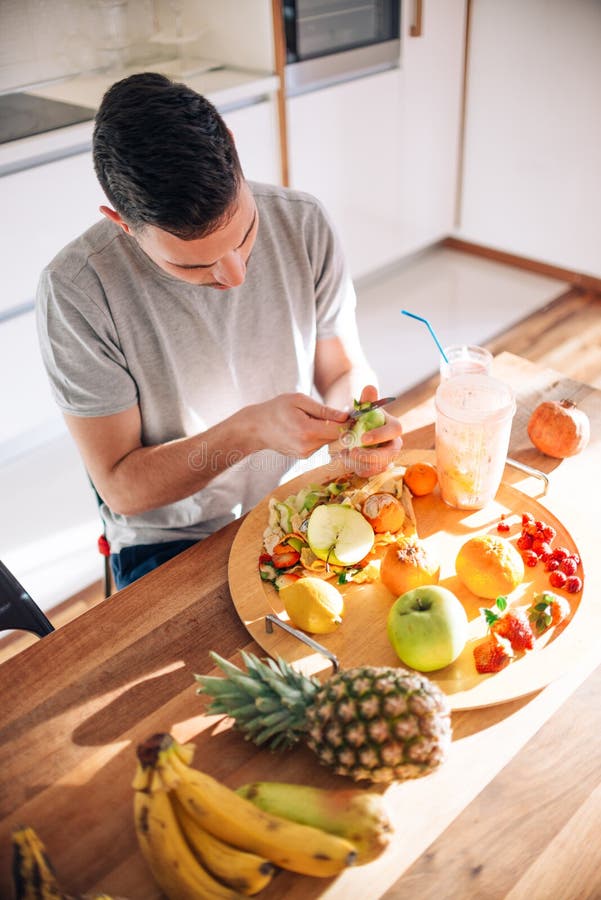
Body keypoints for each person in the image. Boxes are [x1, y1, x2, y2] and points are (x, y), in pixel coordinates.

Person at [36, 72, 403, 589]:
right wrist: (248, 432)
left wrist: (362, 415)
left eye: (245, 233)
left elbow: (340, 367)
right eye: (193, 267)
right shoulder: (77, 290)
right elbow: (122, 488)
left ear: (232, 146)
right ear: (121, 223)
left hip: (292, 498)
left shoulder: (303, 221)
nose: (236, 276)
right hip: (171, 537)